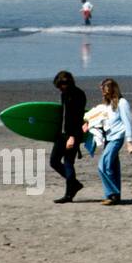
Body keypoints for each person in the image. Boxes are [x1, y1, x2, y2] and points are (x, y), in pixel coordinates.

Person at [94, 78, 132, 205]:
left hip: (117, 139)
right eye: (102, 91)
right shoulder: (107, 105)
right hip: (108, 138)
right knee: (112, 167)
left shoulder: (122, 103)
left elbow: (127, 122)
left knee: (103, 166)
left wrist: (129, 141)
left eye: (105, 91)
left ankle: (111, 193)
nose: (103, 94)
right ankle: (116, 196)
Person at [50, 71, 87, 203]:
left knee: (68, 162)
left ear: (66, 83)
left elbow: (76, 117)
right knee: (54, 161)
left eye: (60, 86)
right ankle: (74, 184)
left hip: (72, 134)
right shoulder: (64, 94)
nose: (59, 88)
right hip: (62, 134)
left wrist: (72, 137)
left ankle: (69, 194)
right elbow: (64, 116)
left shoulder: (78, 95)